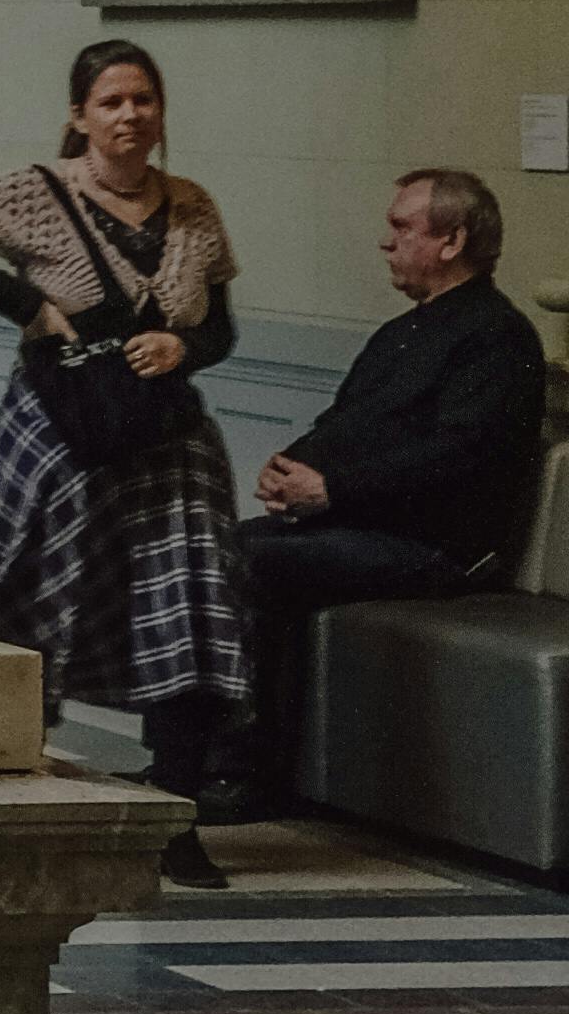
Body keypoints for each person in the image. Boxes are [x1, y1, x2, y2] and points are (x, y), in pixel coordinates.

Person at [0, 38, 249, 887]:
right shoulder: (35, 192)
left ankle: (176, 811)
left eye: (143, 99)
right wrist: (31, 306)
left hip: (170, 440)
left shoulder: (195, 208)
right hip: (63, 433)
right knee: (32, 596)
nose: (130, 116)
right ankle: (2, 790)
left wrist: (185, 344)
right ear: (79, 116)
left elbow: (221, 328)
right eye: (111, 103)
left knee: (192, 609)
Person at [223, 166, 553, 814]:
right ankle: (196, 753)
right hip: (368, 526)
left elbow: (458, 456)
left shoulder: (497, 336)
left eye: (402, 227)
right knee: (205, 546)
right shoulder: (404, 330)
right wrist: (291, 466)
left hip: (435, 548)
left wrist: (333, 489)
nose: (387, 242)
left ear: (451, 241)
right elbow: (343, 424)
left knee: (247, 558)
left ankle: (252, 772)